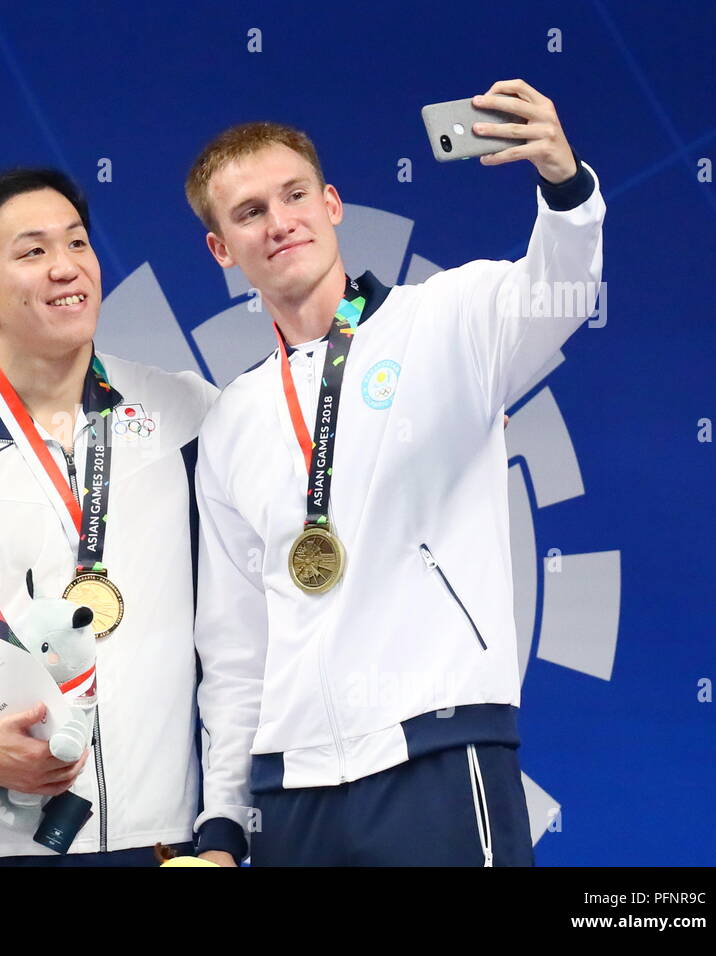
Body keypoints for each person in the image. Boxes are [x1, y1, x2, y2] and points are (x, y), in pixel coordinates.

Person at [186, 79, 605, 865]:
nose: (280, 223)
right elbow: (235, 642)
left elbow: (565, 291)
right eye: (249, 213)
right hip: (293, 783)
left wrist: (564, 183)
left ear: (332, 203)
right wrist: (224, 822)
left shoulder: (448, 319)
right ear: (222, 249)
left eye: (295, 195)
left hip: (437, 747)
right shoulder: (232, 421)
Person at [0, 168, 237, 864]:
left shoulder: (188, 414)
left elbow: (240, 641)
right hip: (1, 841)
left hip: (168, 841)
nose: (67, 268)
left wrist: (225, 828)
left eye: (78, 244)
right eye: (32, 252)